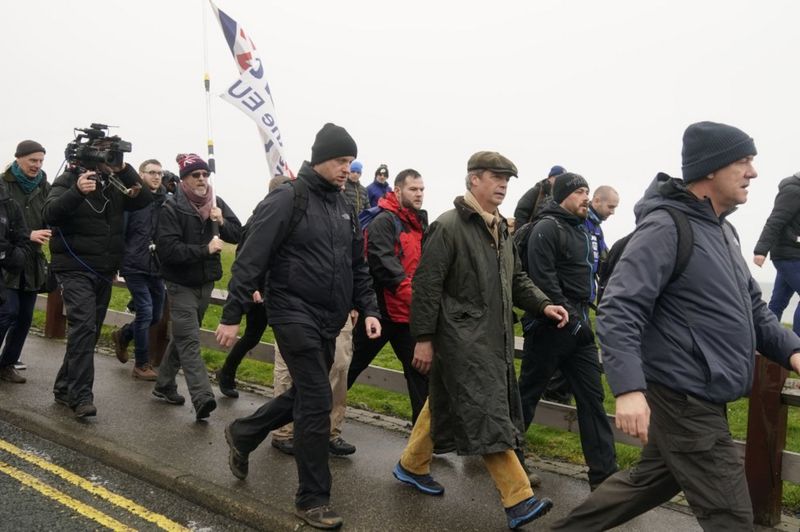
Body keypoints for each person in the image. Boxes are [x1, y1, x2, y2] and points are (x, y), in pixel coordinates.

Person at [552, 121, 800, 531]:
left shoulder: (723, 230)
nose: (753, 172)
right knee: (732, 517)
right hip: (684, 395)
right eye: (743, 161)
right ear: (710, 168)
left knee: (648, 483)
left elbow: (754, 310)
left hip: (702, 391)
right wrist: (628, 389)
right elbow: (620, 308)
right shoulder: (666, 227)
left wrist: (792, 350)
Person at [391, 151, 569, 530]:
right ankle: (518, 499)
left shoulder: (501, 229)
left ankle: (411, 464)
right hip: (461, 340)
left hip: (492, 338)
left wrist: (544, 304)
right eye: (496, 177)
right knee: (488, 412)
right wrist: (424, 338)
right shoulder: (448, 226)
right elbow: (426, 287)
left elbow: (516, 279)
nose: (503, 185)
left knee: (442, 402)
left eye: (507, 180)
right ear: (474, 179)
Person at [216, 123, 381, 530]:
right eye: (340, 161)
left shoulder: (344, 206)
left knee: (308, 393)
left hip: (330, 317)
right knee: (317, 401)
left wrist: (369, 308)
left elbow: (357, 265)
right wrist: (232, 314)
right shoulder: (289, 198)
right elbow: (250, 257)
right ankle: (312, 498)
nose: (347, 169)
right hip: (291, 312)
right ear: (321, 158)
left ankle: (244, 432)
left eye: (350, 161)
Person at [516, 172, 618, 490]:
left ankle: (604, 478)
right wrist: (573, 321)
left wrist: (580, 324)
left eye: (587, 191)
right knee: (528, 394)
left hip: (578, 329)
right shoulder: (547, 228)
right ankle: (509, 463)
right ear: (563, 196)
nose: (586, 197)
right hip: (549, 327)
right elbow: (543, 280)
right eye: (580, 192)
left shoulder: (582, 230)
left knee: (592, 399)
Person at [44, 140, 151, 418]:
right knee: (83, 328)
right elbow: (50, 213)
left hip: (103, 269)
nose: (107, 160)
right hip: (73, 267)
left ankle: (64, 386)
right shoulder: (68, 180)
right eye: (105, 155)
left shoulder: (112, 184)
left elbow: (143, 199)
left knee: (88, 331)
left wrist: (123, 169)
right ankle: (81, 397)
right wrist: (77, 191)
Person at [152, 153, 241, 421]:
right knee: (190, 339)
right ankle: (202, 396)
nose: (202, 179)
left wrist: (222, 221)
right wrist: (205, 249)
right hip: (180, 283)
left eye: (205, 174)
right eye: (196, 175)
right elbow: (168, 250)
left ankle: (163, 384)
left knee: (183, 336)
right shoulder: (171, 208)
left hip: (206, 282)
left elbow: (239, 234)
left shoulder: (216, 202)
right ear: (184, 179)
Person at [346, 168, 429, 424]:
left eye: (422, 189)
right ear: (398, 190)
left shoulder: (419, 224)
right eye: (413, 189)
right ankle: (316, 421)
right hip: (379, 313)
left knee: (422, 374)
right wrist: (416, 299)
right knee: (348, 368)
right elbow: (384, 265)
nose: (419, 194)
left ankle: (422, 438)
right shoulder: (384, 222)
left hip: (407, 316)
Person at [542, 184, 620, 405]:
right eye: (611, 207)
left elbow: (602, 259)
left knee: (577, 352)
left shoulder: (596, 228)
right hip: (568, 301)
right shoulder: (580, 222)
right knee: (564, 353)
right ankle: (555, 403)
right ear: (597, 201)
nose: (613, 212)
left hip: (584, 302)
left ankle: (562, 400)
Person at [215, 175, 290, 398]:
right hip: (260, 289)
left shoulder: (283, 215)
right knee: (253, 335)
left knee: (268, 336)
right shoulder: (262, 216)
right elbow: (246, 254)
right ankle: (227, 373)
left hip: (279, 288)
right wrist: (255, 287)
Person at [111, 159, 169, 381]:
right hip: (134, 263)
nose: (156, 177)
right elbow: (121, 232)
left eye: (160, 173)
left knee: (156, 315)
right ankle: (142, 364)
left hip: (157, 266)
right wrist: (117, 262)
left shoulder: (166, 201)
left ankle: (124, 335)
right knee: (145, 310)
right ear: (141, 174)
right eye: (152, 172)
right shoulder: (133, 198)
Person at [0, 140, 51, 381]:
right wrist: (27, 234)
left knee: (24, 318)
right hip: (6, 260)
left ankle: (7, 364)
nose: (37, 165)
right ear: (18, 158)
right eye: (32, 160)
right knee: (7, 312)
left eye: (40, 161)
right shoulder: (3, 185)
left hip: (32, 262)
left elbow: (52, 215)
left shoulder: (45, 187)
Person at [753, 171, 800, 335]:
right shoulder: (793, 190)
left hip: (793, 254)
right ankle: (797, 343)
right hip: (788, 255)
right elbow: (775, 220)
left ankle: (763, 339)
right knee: (778, 302)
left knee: (778, 302)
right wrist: (761, 250)